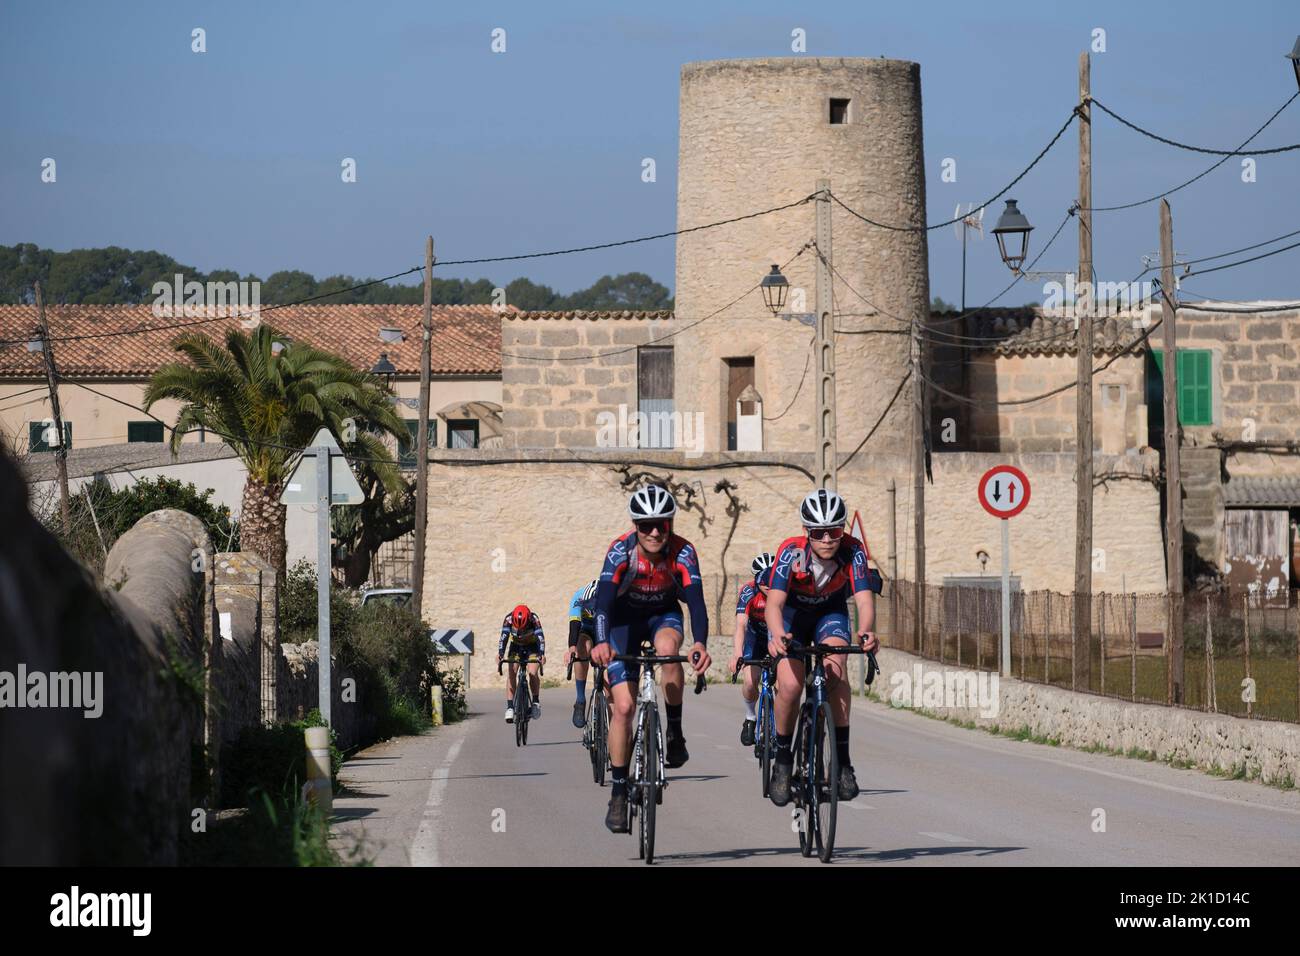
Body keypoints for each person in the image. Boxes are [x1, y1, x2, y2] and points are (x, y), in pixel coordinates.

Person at [590, 484, 712, 833]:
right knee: (624, 708)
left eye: (662, 524)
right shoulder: (620, 551)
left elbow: (697, 603)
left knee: (669, 651)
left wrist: (700, 642)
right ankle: (617, 791)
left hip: (663, 615)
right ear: (636, 527)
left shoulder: (683, 552)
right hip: (624, 622)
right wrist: (600, 641)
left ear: (670, 524)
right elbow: (604, 604)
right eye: (646, 526)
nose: (655, 532)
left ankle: (674, 731)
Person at [764, 489, 882, 805]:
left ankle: (842, 762)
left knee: (835, 671)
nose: (828, 539)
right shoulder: (791, 552)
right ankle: (784, 761)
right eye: (819, 532)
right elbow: (774, 604)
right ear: (807, 532)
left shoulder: (852, 551)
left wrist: (866, 629)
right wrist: (776, 635)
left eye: (834, 531)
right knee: (789, 685)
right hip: (793, 617)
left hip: (830, 613)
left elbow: (863, 599)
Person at [730, 552, 775, 747]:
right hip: (755, 638)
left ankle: (781, 729)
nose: (768, 582)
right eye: (763, 577)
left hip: (778, 637)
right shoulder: (748, 592)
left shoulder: (785, 591)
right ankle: (750, 717)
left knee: (784, 686)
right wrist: (737, 654)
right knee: (750, 682)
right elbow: (741, 625)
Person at [497, 604, 546, 723]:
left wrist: (541, 654)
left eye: (524, 628)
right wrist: (500, 654)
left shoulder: (534, 619)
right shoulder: (508, 619)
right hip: (516, 647)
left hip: (532, 647)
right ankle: (509, 707)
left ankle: (535, 702)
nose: (521, 630)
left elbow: (540, 638)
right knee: (512, 672)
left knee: (532, 672)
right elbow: (503, 638)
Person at [563, 580, 599, 728]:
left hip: (606, 627)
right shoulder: (578, 598)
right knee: (582, 646)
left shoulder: (614, 597)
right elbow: (575, 626)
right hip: (586, 628)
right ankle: (580, 700)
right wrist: (572, 648)